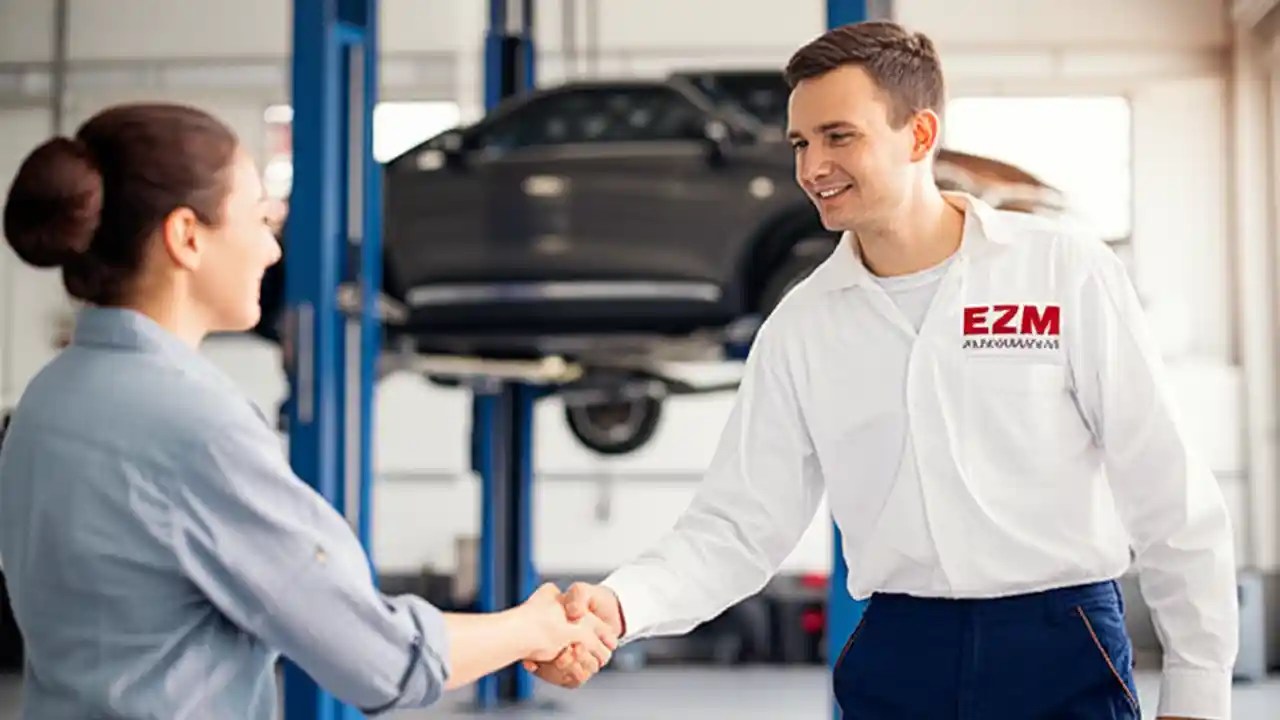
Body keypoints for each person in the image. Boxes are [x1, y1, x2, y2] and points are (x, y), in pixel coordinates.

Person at [526, 20, 1239, 720]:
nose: (811, 168)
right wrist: (620, 606)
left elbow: (1167, 491)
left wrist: (1199, 694)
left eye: (839, 137)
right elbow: (739, 526)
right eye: (801, 143)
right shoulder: (802, 327)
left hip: (1062, 645)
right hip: (901, 654)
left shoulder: (1060, 271)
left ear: (919, 136)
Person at [0, 103, 613, 719]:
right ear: (186, 236)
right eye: (261, 219)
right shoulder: (195, 427)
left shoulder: (47, 402)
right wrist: (535, 627)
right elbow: (382, 658)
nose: (271, 249)